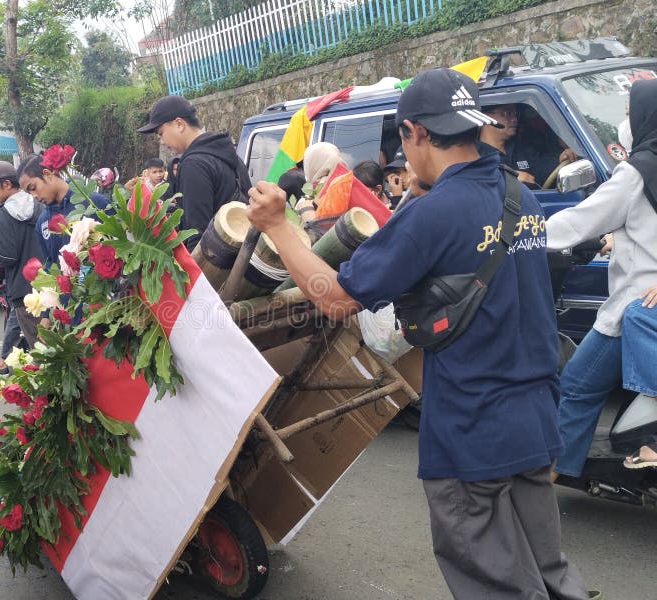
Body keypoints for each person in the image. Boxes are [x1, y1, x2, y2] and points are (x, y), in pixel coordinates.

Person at [247, 67, 593, 600]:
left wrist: (276, 226)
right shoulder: (517, 198)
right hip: (536, 421)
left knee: (496, 584)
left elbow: (334, 296)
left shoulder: (433, 215)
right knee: (549, 573)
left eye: (403, 139)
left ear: (416, 133)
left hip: (472, 432)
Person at [545, 78, 657, 479]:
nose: (624, 122)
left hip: (636, 304)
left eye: (629, 113)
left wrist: (526, 235)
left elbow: (580, 220)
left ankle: (551, 473)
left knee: (576, 384)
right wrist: (617, 236)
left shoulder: (636, 172)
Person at [137, 95, 251, 252]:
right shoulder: (227, 152)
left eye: (161, 133)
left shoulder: (194, 165)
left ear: (179, 124)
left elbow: (196, 235)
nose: (162, 141)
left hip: (217, 268)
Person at [0, 161, 44, 352]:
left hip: (24, 294)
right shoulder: (38, 204)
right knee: (55, 343)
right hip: (47, 287)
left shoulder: (5, 214)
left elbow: (6, 257)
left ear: (6, 184)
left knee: (42, 351)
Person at [17, 153, 110, 268]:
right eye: (29, 192)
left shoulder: (94, 202)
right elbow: (50, 265)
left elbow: (118, 244)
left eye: (33, 188)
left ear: (47, 174)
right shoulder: (42, 223)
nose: (33, 196)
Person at [479, 103, 576, 187]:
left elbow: (541, 169)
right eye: (507, 113)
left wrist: (561, 159)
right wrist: (507, 178)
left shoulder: (521, 149)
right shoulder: (475, 154)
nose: (514, 119)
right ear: (485, 118)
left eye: (515, 114)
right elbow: (474, 182)